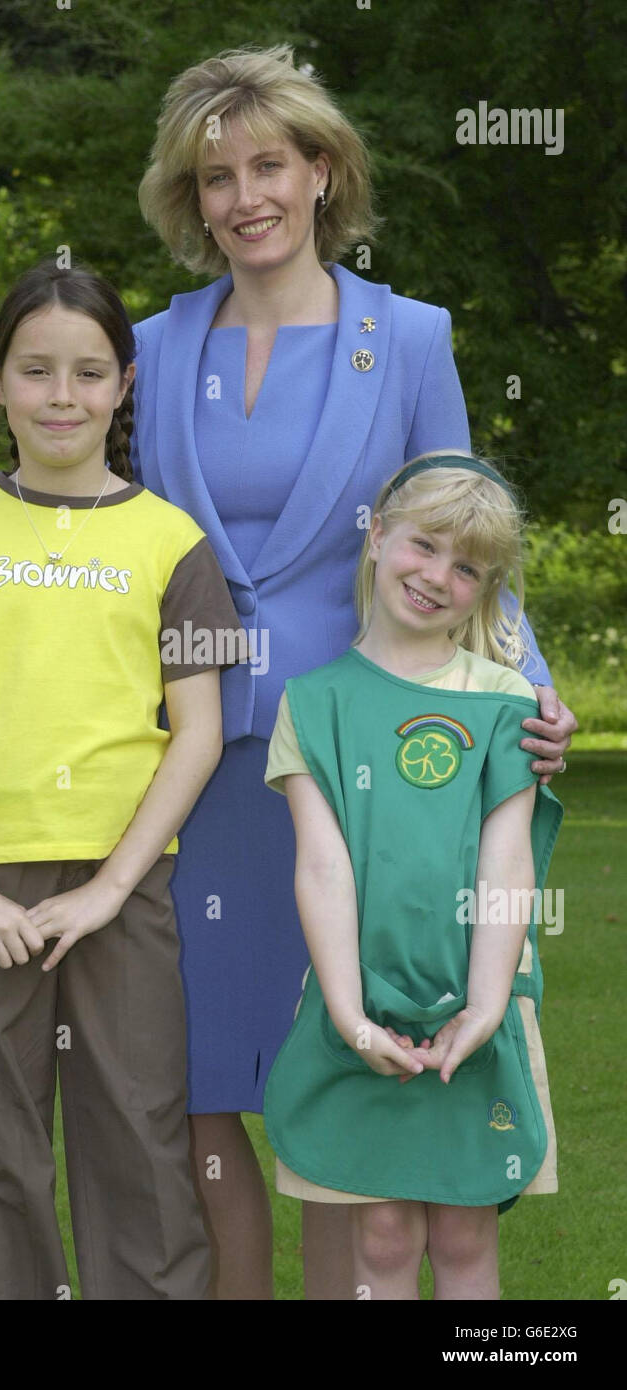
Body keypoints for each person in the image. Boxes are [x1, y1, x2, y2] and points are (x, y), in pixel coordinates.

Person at [0, 46, 577, 1299]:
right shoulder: (146, 345)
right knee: (196, 1094)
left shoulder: (411, 338)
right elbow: (76, 495)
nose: (245, 195)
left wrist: (526, 684)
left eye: (270, 164)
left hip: (360, 764)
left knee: (333, 1090)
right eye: (217, 175)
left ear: (322, 172)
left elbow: (466, 523)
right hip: (184, 760)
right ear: (192, 197)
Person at [0, 258, 244, 1300]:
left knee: (140, 1138)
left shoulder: (173, 543)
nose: (63, 396)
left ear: (125, 383)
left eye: (88, 372)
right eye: (37, 371)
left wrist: (109, 888)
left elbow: (198, 732)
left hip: (123, 892)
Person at [263, 453, 564, 1300]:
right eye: (423, 546)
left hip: (479, 1003)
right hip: (359, 1005)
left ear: (486, 588)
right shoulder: (312, 702)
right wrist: (353, 1020)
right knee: (385, 1235)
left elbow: (507, 864)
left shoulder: (506, 700)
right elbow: (320, 868)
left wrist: (485, 1006)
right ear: (375, 536)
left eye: (466, 567)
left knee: (465, 1230)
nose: (436, 576)